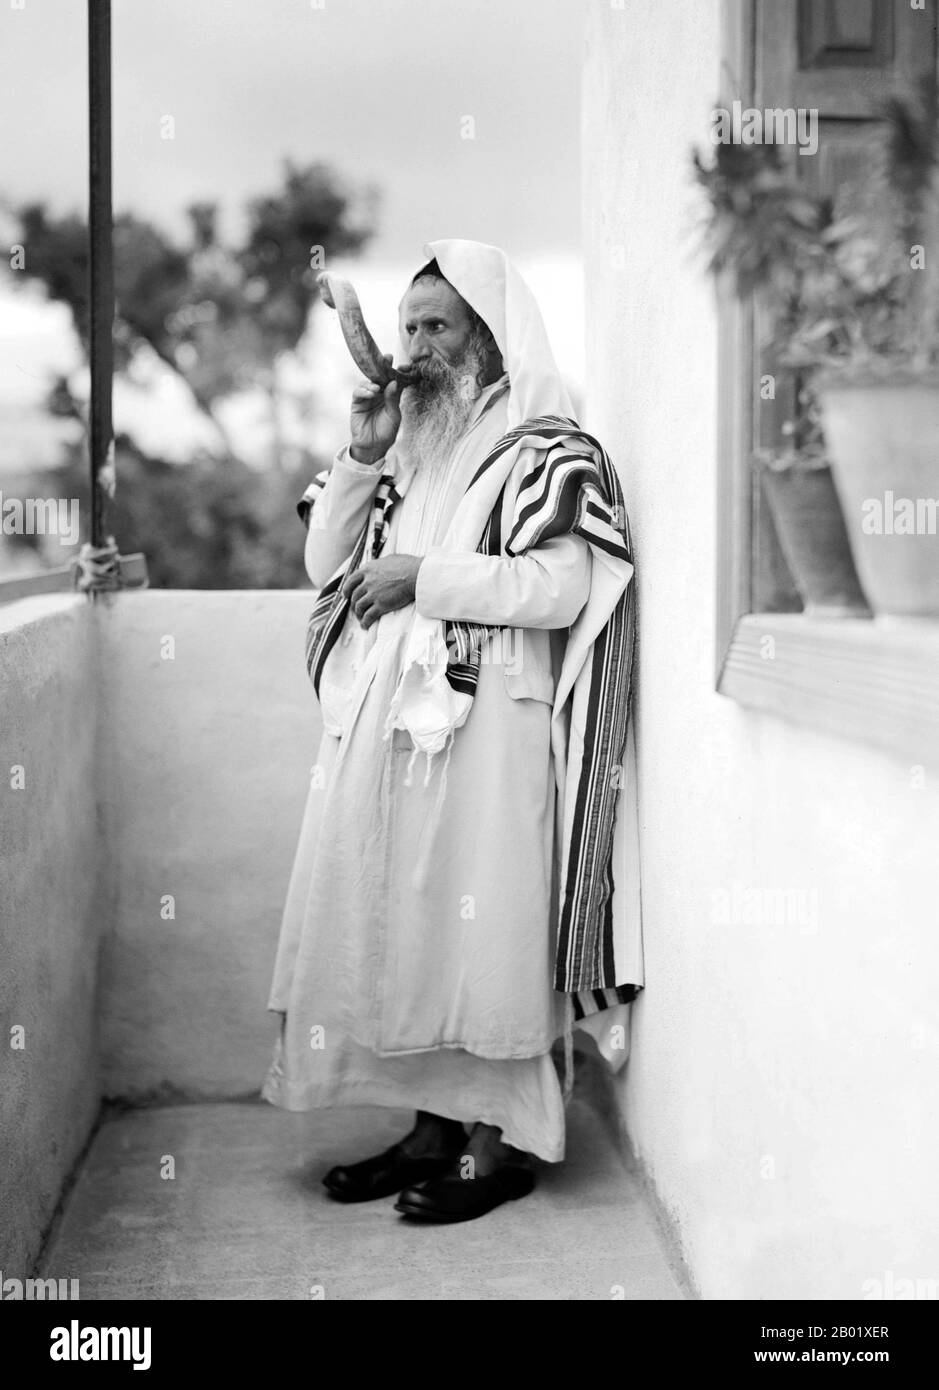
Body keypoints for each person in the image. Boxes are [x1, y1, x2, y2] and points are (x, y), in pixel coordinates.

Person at [262, 239, 642, 1223]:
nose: (416, 346)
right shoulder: (408, 440)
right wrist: (360, 451)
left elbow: (560, 589)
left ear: (487, 333)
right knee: (412, 928)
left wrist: (422, 578)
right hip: (391, 723)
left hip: (495, 729)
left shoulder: (546, 449)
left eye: (436, 326)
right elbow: (322, 562)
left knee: (489, 928)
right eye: (408, 327)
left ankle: (502, 1142)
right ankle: (431, 1126)